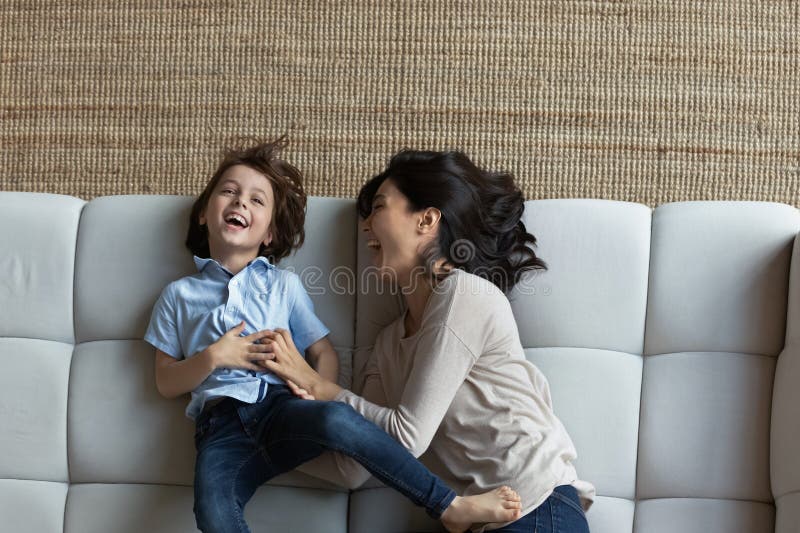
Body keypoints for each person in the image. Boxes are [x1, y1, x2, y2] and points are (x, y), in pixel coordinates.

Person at [143, 137, 524, 533]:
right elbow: (165, 381)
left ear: (270, 234)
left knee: (338, 420)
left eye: (257, 200)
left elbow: (322, 350)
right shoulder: (177, 295)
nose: (240, 203)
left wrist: (315, 387)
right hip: (220, 427)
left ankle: (446, 505)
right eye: (229, 192)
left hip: (280, 408)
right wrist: (213, 358)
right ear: (203, 213)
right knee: (211, 505)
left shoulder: (283, 286)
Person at [262, 149, 596, 532]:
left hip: (537, 508)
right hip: (485, 521)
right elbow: (353, 467)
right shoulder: (389, 344)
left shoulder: (464, 295)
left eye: (380, 208)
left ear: (427, 219)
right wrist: (260, 442)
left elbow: (408, 436)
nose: (366, 225)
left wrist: (316, 383)